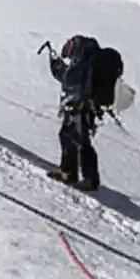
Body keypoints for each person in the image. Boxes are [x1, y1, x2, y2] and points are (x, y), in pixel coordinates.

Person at [46, 35, 107, 192]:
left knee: (81, 141)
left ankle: (89, 179)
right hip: (79, 107)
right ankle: (68, 172)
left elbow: (68, 80)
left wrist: (56, 64)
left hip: (80, 107)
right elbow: (68, 78)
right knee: (68, 137)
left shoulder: (81, 63)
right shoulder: (86, 62)